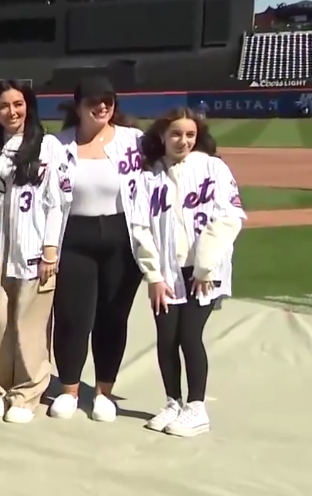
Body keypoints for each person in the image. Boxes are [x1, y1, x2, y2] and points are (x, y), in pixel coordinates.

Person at [129, 108, 244, 437]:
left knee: (189, 336)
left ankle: (197, 408)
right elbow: (140, 229)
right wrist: (153, 276)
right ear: (162, 136)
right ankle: (173, 402)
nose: (183, 140)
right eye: (176, 134)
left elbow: (228, 218)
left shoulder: (213, 168)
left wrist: (205, 264)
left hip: (204, 272)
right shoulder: (149, 176)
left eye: (190, 135)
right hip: (166, 272)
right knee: (166, 339)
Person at [0, 80, 72, 424]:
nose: (12, 112)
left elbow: (57, 202)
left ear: (28, 106)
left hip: (33, 249)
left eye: (18, 104)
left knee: (28, 324)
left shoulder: (47, 147)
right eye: (4, 106)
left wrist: (50, 249)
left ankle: (27, 393)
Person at [49, 78, 146, 422]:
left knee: (113, 316)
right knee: (73, 318)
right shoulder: (57, 144)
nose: (102, 106)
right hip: (75, 237)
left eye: (108, 100)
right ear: (78, 106)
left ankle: (104, 390)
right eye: (95, 101)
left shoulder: (133, 141)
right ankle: (69, 389)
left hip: (120, 238)